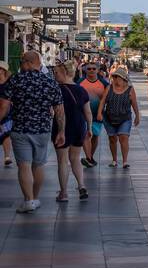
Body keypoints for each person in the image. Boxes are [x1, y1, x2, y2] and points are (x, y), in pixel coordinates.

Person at [0, 51, 65, 212]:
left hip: (20, 130)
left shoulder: (15, 80)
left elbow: (4, 106)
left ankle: (28, 200)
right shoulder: (50, 82)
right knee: (39, 165)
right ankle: (35, 198)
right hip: (42, 130)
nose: (21, 65)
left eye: (22, 62)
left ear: (28, 62)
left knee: (24, 166)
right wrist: (61, 131)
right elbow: (59, 110)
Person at [52, 61, 91, 202]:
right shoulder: (81, 90)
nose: (54, 75)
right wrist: (90, 128)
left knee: (62, 161)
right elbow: (88, 112)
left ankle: (64, 193)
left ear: (65, 73)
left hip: (62, 127)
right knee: (75, 159)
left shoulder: (56, 89)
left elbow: (53, 111)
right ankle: (81, 186)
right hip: (79, 126)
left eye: (56, 72)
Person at [101, 68, 140, 168]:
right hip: (109, 118)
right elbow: (103, 101)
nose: (115, 79)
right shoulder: (109, 88)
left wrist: (137, 116)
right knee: (112, 139)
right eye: (114, 77)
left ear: (123, 79)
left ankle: (125, 161)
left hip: (125, 118)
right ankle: (114, 160)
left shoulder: (130, 89)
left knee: (124, 137)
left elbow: (134, 104)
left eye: (117, 77)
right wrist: (99, 113)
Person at [76, 61, 110, 167]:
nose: (91, 70)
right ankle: (89, 158)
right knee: (86, 134)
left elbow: (107, 98)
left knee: (95, 135)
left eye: (93, 69)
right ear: (85, 70)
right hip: (83, 114)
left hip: (97, 114)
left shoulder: (104, 83)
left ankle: (90, 156)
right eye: (89, 68)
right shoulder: (80, 82)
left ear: (98, 70)